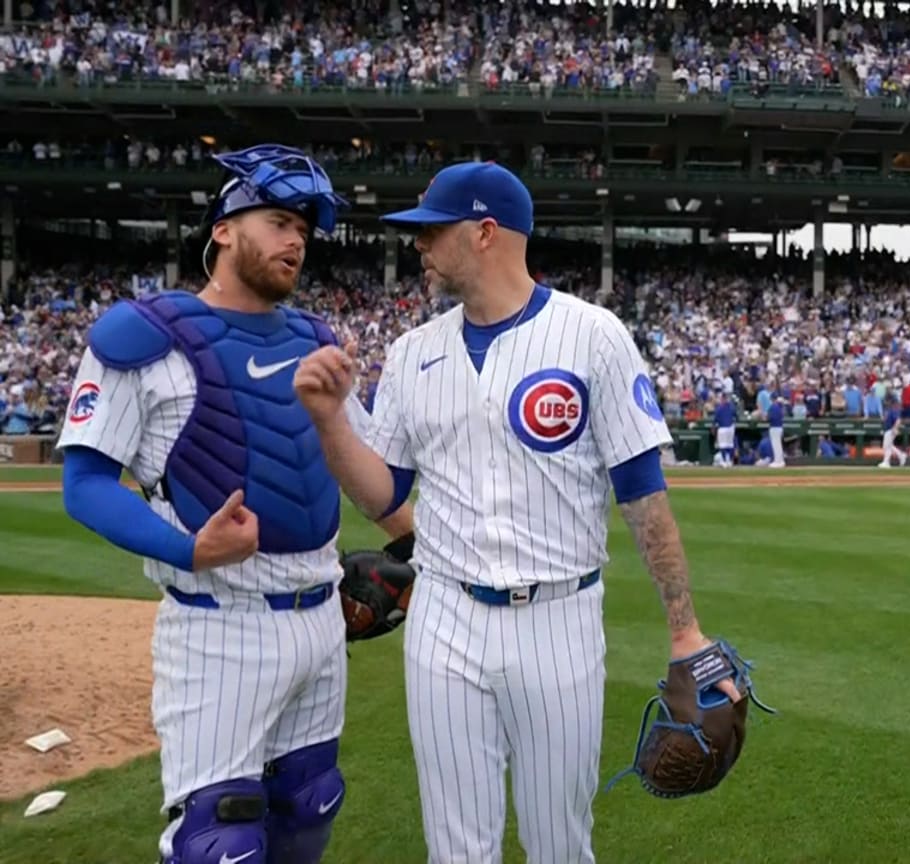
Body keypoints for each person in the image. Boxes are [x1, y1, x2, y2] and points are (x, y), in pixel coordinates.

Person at [291, 160, 739, 864]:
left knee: (558, 840)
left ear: (486, 233)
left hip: (556, 617)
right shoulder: (412, 354)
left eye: (433, 232)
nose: (420, 247)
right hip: (441, 616)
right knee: (455, 845)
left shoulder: (592, 337)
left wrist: (685, 631)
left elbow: (643, 494)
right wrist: (328, 422)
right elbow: (384, 493)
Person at [55, 144, 414, 864]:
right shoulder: (146, 334)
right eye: (280, 221)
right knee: (221, 836)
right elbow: (84, 484)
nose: (295, 242)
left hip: (321, 620)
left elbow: (370, 473)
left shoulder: (317, 339)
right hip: (220, 627)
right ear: (222, 228)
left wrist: (418, 551)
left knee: (309, 802)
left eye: (305, 232)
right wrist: (192, 548)